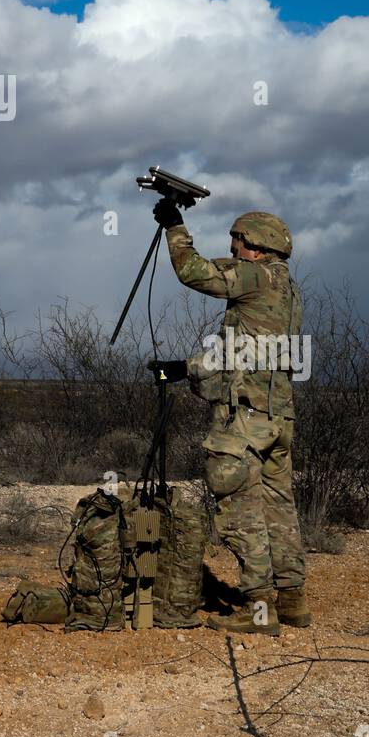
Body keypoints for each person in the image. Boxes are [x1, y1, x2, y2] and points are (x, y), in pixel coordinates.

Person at [149, 201, 310, 635]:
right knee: (279, 508)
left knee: (239, 506)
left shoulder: (255, 277)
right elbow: (242, 354)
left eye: (237, 241)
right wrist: (187, 368)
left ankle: (258, 608)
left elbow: (195, 273)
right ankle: (291, 598)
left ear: (256, 246)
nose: (233, 248)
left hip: (246, 422)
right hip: (278, 417)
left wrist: (176, 228)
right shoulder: (285, 288)